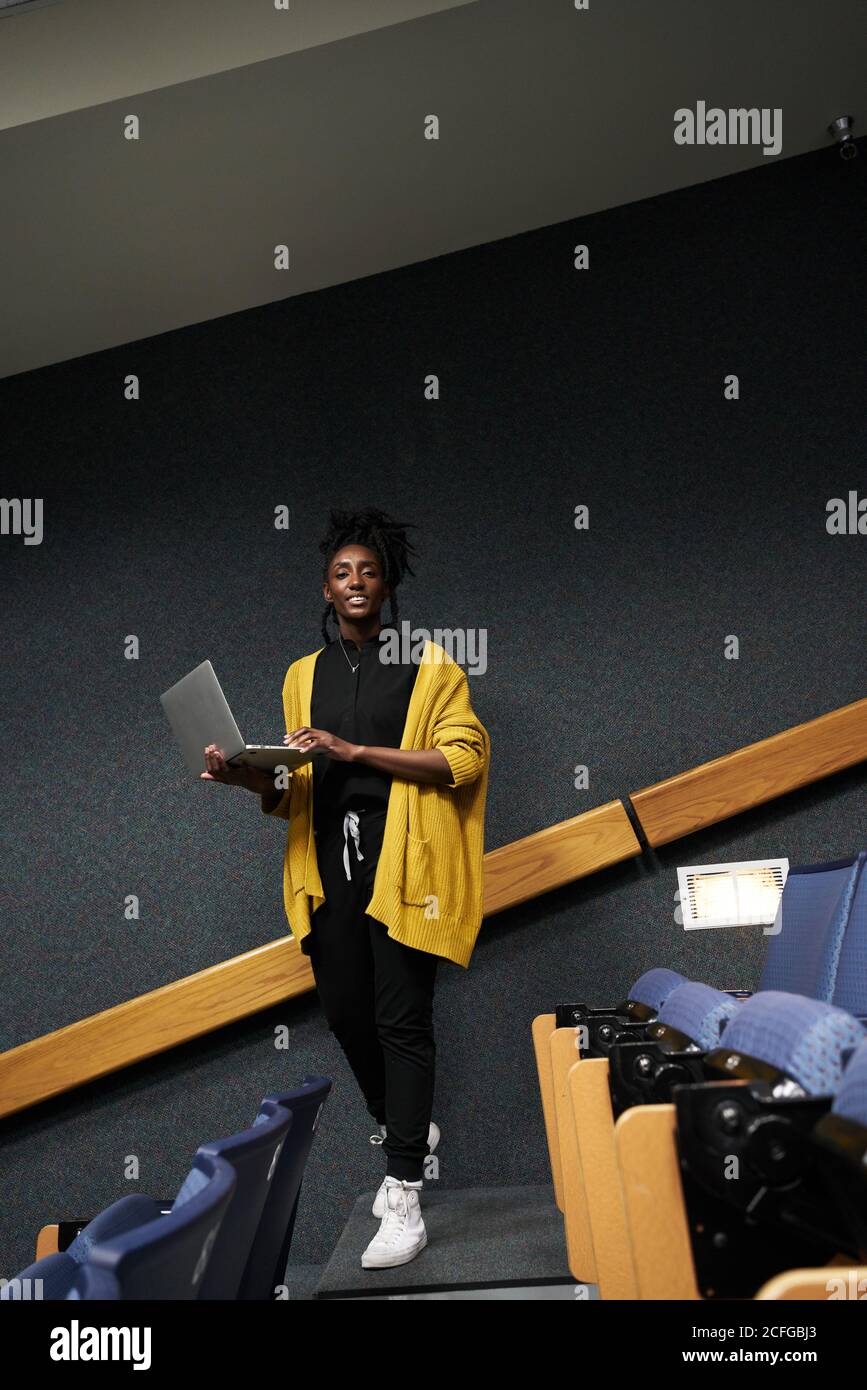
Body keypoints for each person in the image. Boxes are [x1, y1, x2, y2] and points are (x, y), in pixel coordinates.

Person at [201, 506, 491, 1270]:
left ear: (386, 582)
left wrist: (355, 747)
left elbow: (461, 760)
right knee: (345, 1012)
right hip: (328, 862)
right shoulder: (303, 675)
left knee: (402, 1019)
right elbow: (295, 786)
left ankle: (401, 1194)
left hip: (407, 867)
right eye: (341, 572)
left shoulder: (430, 664)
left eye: (367, 570)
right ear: (325, 590)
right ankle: (404, 1126)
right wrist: (243, 776)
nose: (355, 582)